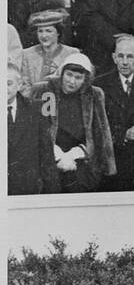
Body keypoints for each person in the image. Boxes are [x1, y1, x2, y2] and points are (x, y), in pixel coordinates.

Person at [39, 52, 114, 192]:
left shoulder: (95, 95)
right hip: (49, 156)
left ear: (86, 79)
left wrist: (74, 154)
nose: (72, 81)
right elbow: (39, 128)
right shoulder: (45, 90)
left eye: (78, 77)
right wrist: (58, 155)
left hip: (81, 158)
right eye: (69, 75)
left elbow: (99, 134)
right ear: (62, 73)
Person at [95, 33, 134, 191]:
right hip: (114, 162)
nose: (124, 62)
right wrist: (124, 134)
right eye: (120, 56)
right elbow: (97, 126)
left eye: (130, 57)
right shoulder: (99, 85)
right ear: (114, 58)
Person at [8, 59, 56, 194]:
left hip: (26, 187)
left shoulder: (35, 109)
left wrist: (52, 191)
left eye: (9, 84)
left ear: (19, 85)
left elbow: (46, 153)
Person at [18, 8, 80, 98]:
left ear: (58, 32)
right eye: (40, 31)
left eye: (48, 31)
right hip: (34, 105)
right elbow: (23, 85)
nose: (43, 35)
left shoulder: (72, 53)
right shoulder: (27, 54)